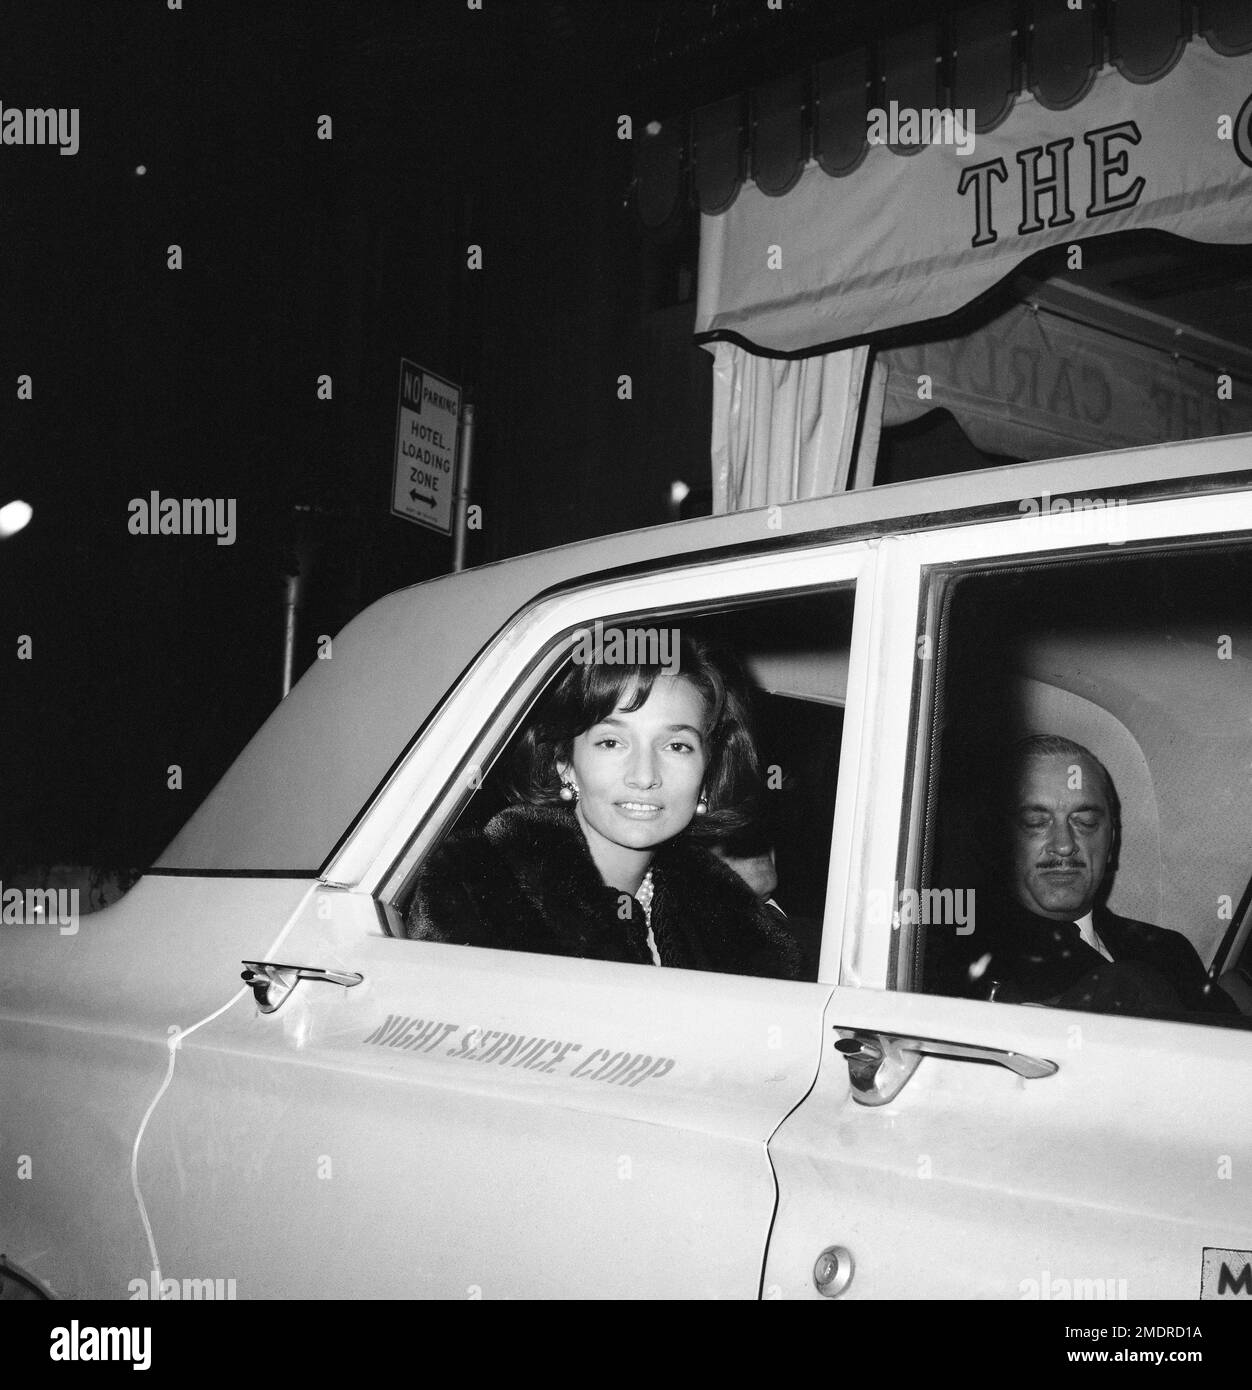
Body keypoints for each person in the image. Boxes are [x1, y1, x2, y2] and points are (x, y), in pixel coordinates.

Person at [403, 629, 805, 979]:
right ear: (566, 765)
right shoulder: (481, 892)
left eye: (677, 746)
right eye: (611, 742)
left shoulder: (734, 928)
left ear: (707, 775)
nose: (644, 776)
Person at [957, 734, 1233, 1017]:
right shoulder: (962, 952)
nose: (1064, 844)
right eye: (1035, 823)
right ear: (997, 840)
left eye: (1085, 823)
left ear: (1111, 842)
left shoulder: (1167, 951)